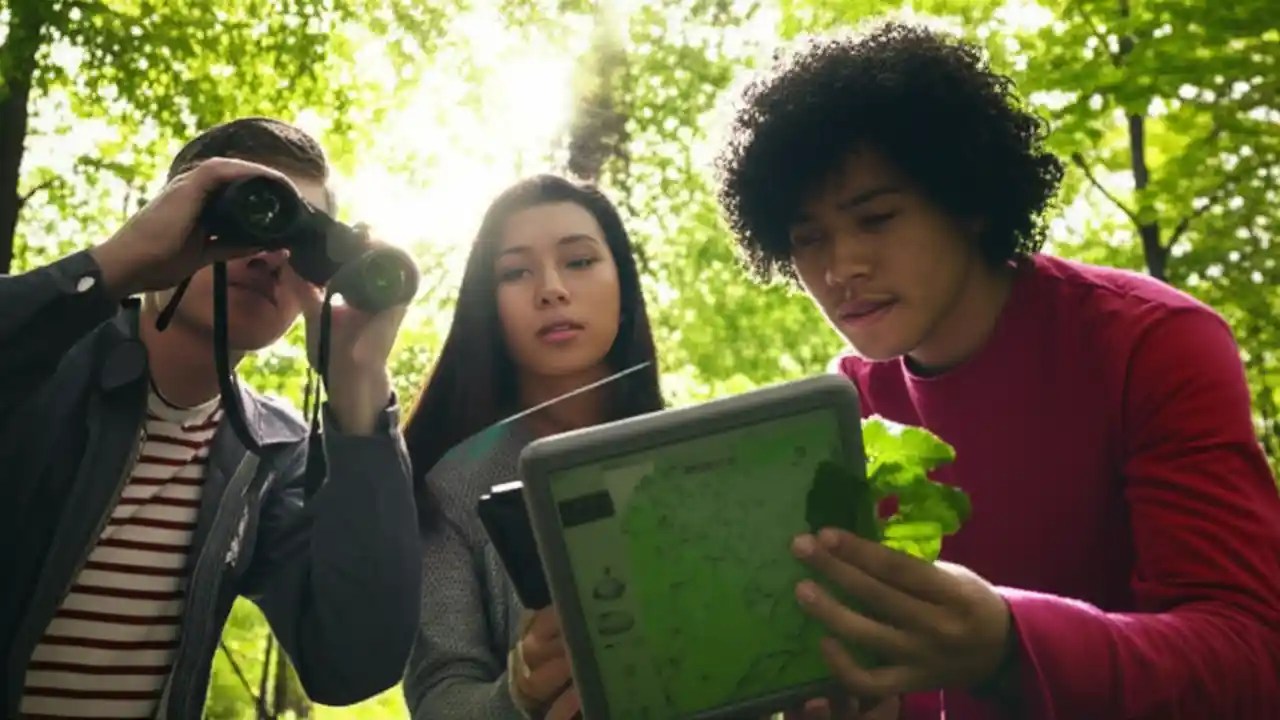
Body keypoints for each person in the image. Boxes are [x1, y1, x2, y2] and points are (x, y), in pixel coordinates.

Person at [712, 21, 1280, 720]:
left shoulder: (1152, 343)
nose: (840, 267)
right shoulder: (846, 410)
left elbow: (1251, 657)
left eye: (877, 218)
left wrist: (1012, 646)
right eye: (808, 238)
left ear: (969, 201)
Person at [0, 118, 423, 718]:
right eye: (252, 215)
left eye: (302, 241)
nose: (271, 257)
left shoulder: (272, 453)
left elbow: (354, 661)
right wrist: (115, 264)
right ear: (170, 216)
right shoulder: (41, 360)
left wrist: (360, 392)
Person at [400, 174, 664, 720]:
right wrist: (519, 692)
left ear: (625, 287)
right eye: (516, 272)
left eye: (579, 261)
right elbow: (439, 697)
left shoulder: (696, 451)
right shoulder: (446, 490)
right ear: (487, 306)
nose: (551, 289)